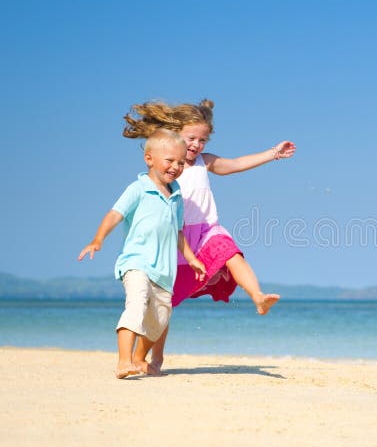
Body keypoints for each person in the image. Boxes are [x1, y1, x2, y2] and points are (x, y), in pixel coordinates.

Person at [122, 99, 296, 374]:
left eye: (202, 140)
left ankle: (258, 296)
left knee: (230, 252)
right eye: (191, 138)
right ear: (174, 133)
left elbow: (237, 163)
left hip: (206, 231)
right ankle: (148, 357)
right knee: (163, 305)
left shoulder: (205, 162)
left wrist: (273, 152)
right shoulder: (168, 168)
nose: (196, 145)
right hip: (175, 241)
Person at [78, 129, 206, 378]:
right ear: (149, 159)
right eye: (169, 160)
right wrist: (98, 239)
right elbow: (115, 213)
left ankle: (139, 359)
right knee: (136, 305)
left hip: (164, 272)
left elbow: (177, 231)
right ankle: (124, 361)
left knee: (159, 320)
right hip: (136, 263)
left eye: (181, 162)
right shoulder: (138, 188)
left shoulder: (177, 194)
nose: (176, 166)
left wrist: (191, 258)